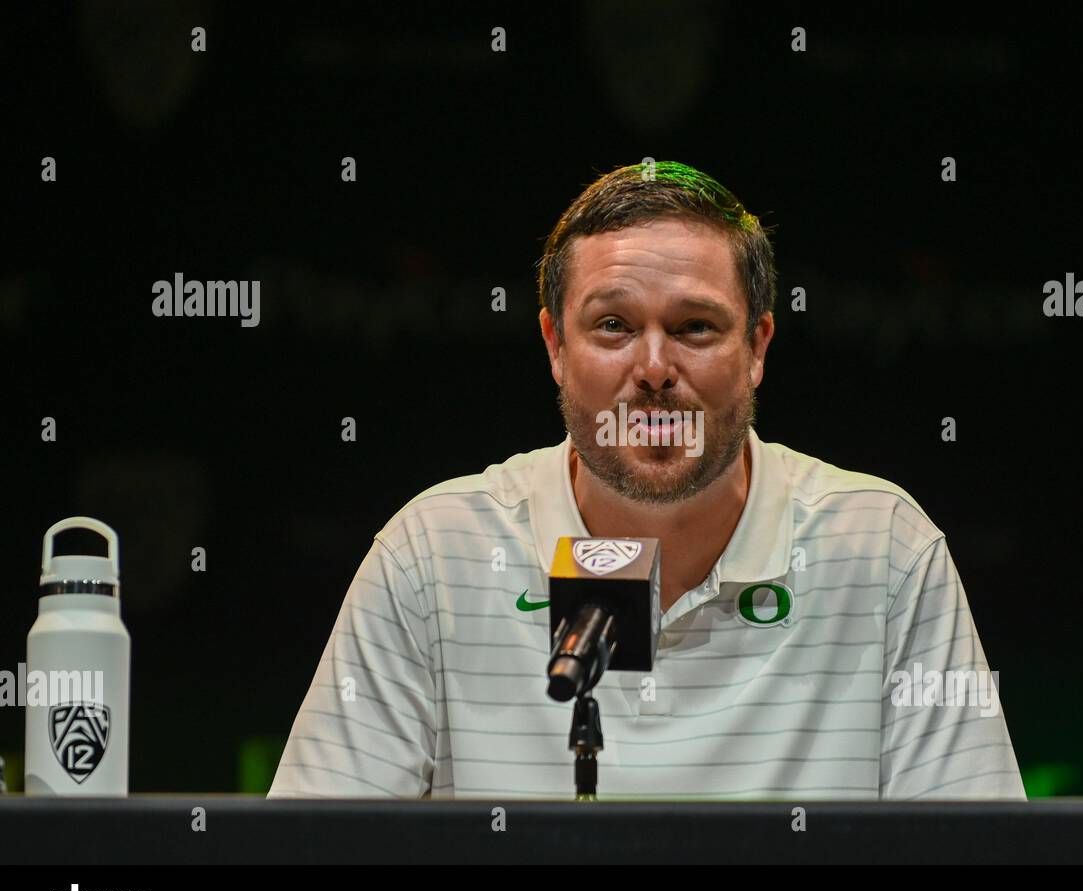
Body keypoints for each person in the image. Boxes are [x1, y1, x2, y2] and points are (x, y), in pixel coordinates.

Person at [269, 161, 1025, 800]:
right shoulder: (432, 556)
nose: (655, 370)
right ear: (554, 346)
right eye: (613, 327)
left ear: (758, 346)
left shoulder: (885, 552)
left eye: (695, 327)